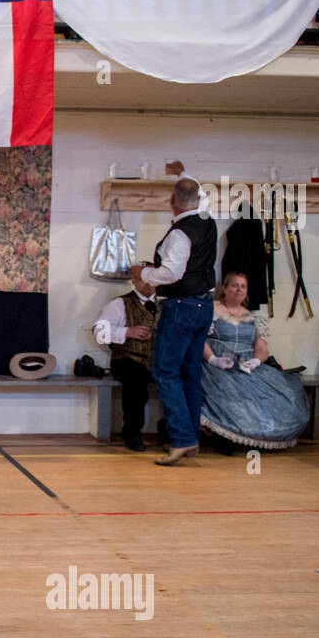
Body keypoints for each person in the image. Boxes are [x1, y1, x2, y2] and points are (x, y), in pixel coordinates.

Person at [130, 177, 218, 466]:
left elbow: (170, 273)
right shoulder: (208, 221)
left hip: (180, 306)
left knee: (166, 372)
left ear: (173, 201)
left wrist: (142, 273)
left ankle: (181, 439)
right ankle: (190, 437)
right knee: (190, 372)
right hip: (204, 305)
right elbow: (195, 194)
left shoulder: (180, 232)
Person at [200, 272, 309, 453]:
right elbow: (199, 340)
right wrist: (213, 359)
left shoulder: (253, 317)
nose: (239, 289)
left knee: (286, 392)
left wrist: (257, 361)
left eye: (243, 286)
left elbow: (261, 347)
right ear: (224, 289)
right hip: (216, 364)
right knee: (227, 391)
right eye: (234, 285)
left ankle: (254, 436)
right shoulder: (211, 310)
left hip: (244, 364)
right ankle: (225, 438)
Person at [93, 269, 158, 452]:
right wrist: (127, 332)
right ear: (134, 281)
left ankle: (170, 432)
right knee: (136, 382)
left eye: (152, 279)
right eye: (143, 280)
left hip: (158, 360)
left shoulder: (166, 304)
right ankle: (132, 433)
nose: (147, 284)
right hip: (128, 358)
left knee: (178, 380)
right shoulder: (121, 303)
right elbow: (99, 331)